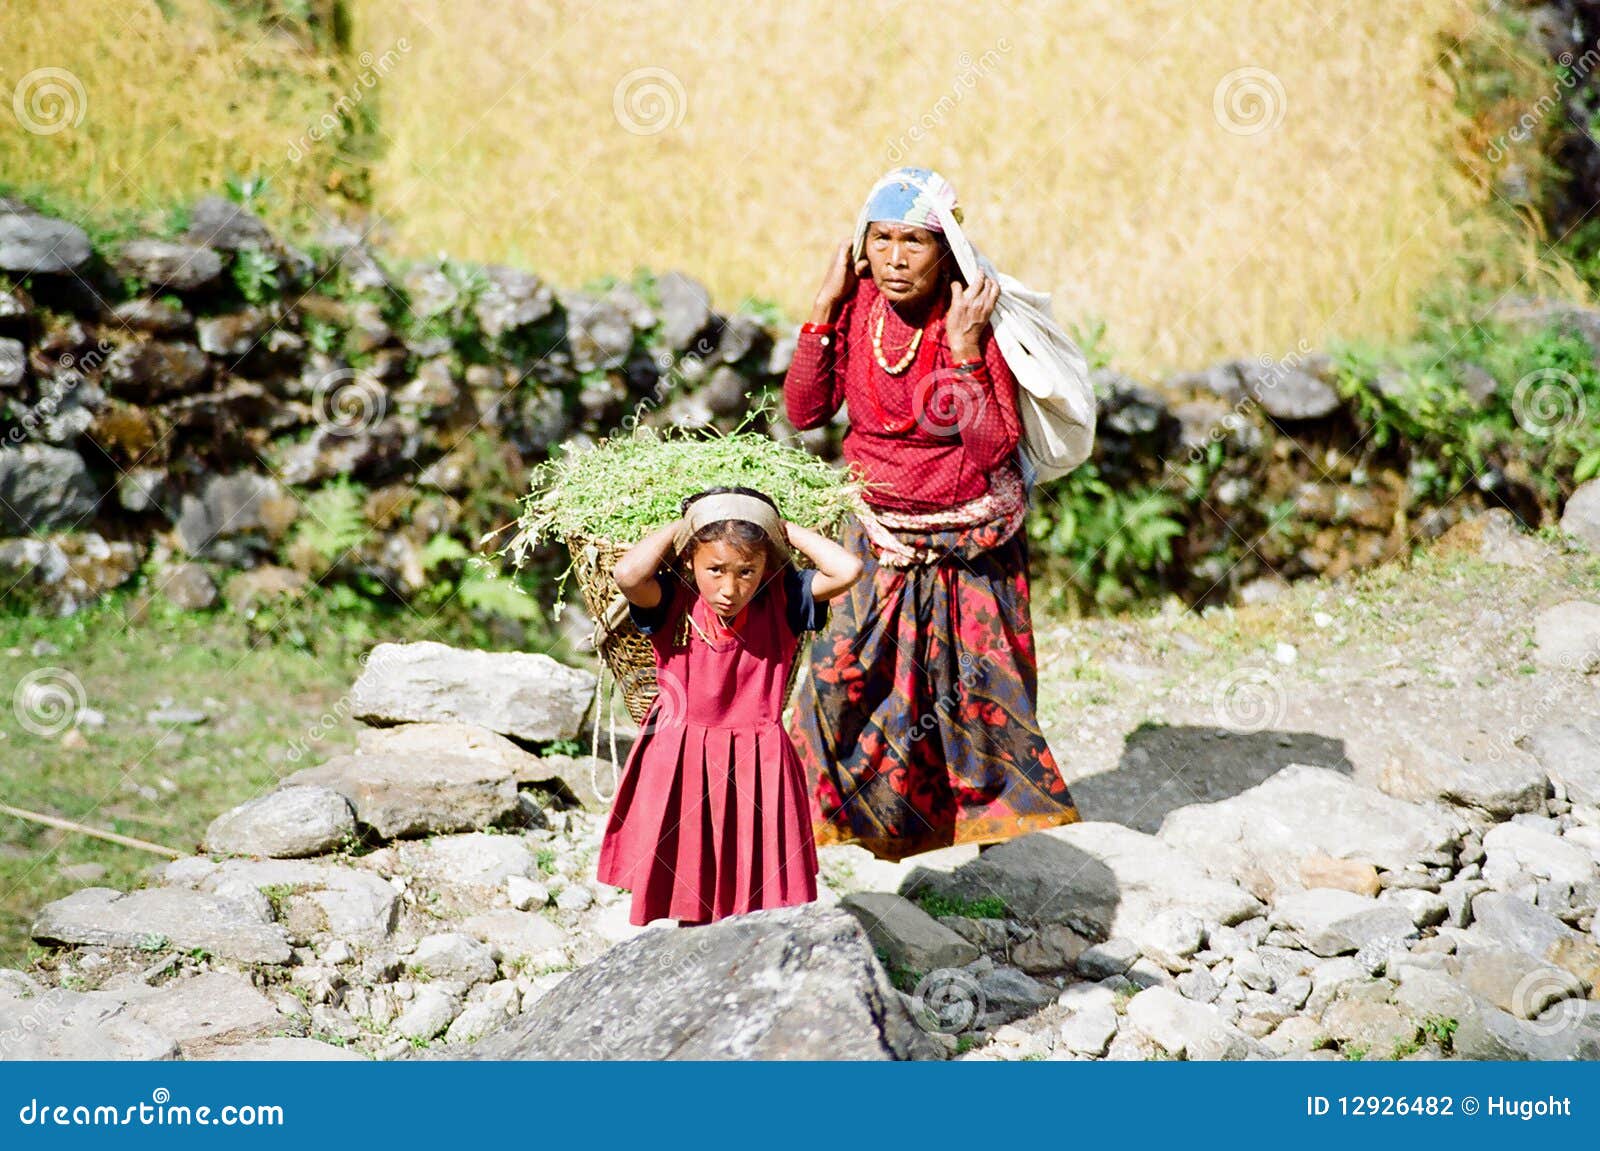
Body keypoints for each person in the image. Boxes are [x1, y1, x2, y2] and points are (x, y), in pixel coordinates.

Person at [784, 166, 1080, 862]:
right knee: (839, 677)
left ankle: (1008, 856)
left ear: (946, 247)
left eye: (913, 241)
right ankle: (812, 830)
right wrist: (822, 310)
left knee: (981, 697)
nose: (894, 258)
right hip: (877, 534)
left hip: (969, 539)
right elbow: (804, 412)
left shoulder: (972, 314)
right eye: (881, 239)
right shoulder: (856, 306)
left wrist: (966, 350)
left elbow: (990, 447)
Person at [595, 486, 864, 926]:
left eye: (746, 571)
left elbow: (848, 569)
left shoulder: (785, 599)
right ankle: (693, 958)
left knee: (754, 877)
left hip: (757, 756)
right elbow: (628, 574)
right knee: (689, 873)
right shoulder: (672, 601)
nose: (729, 588)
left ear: (765, 568)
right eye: (715, 570)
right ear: (689, 562)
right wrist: (687, 525)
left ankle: (745, 958)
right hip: (682, 754)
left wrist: (782, 530)